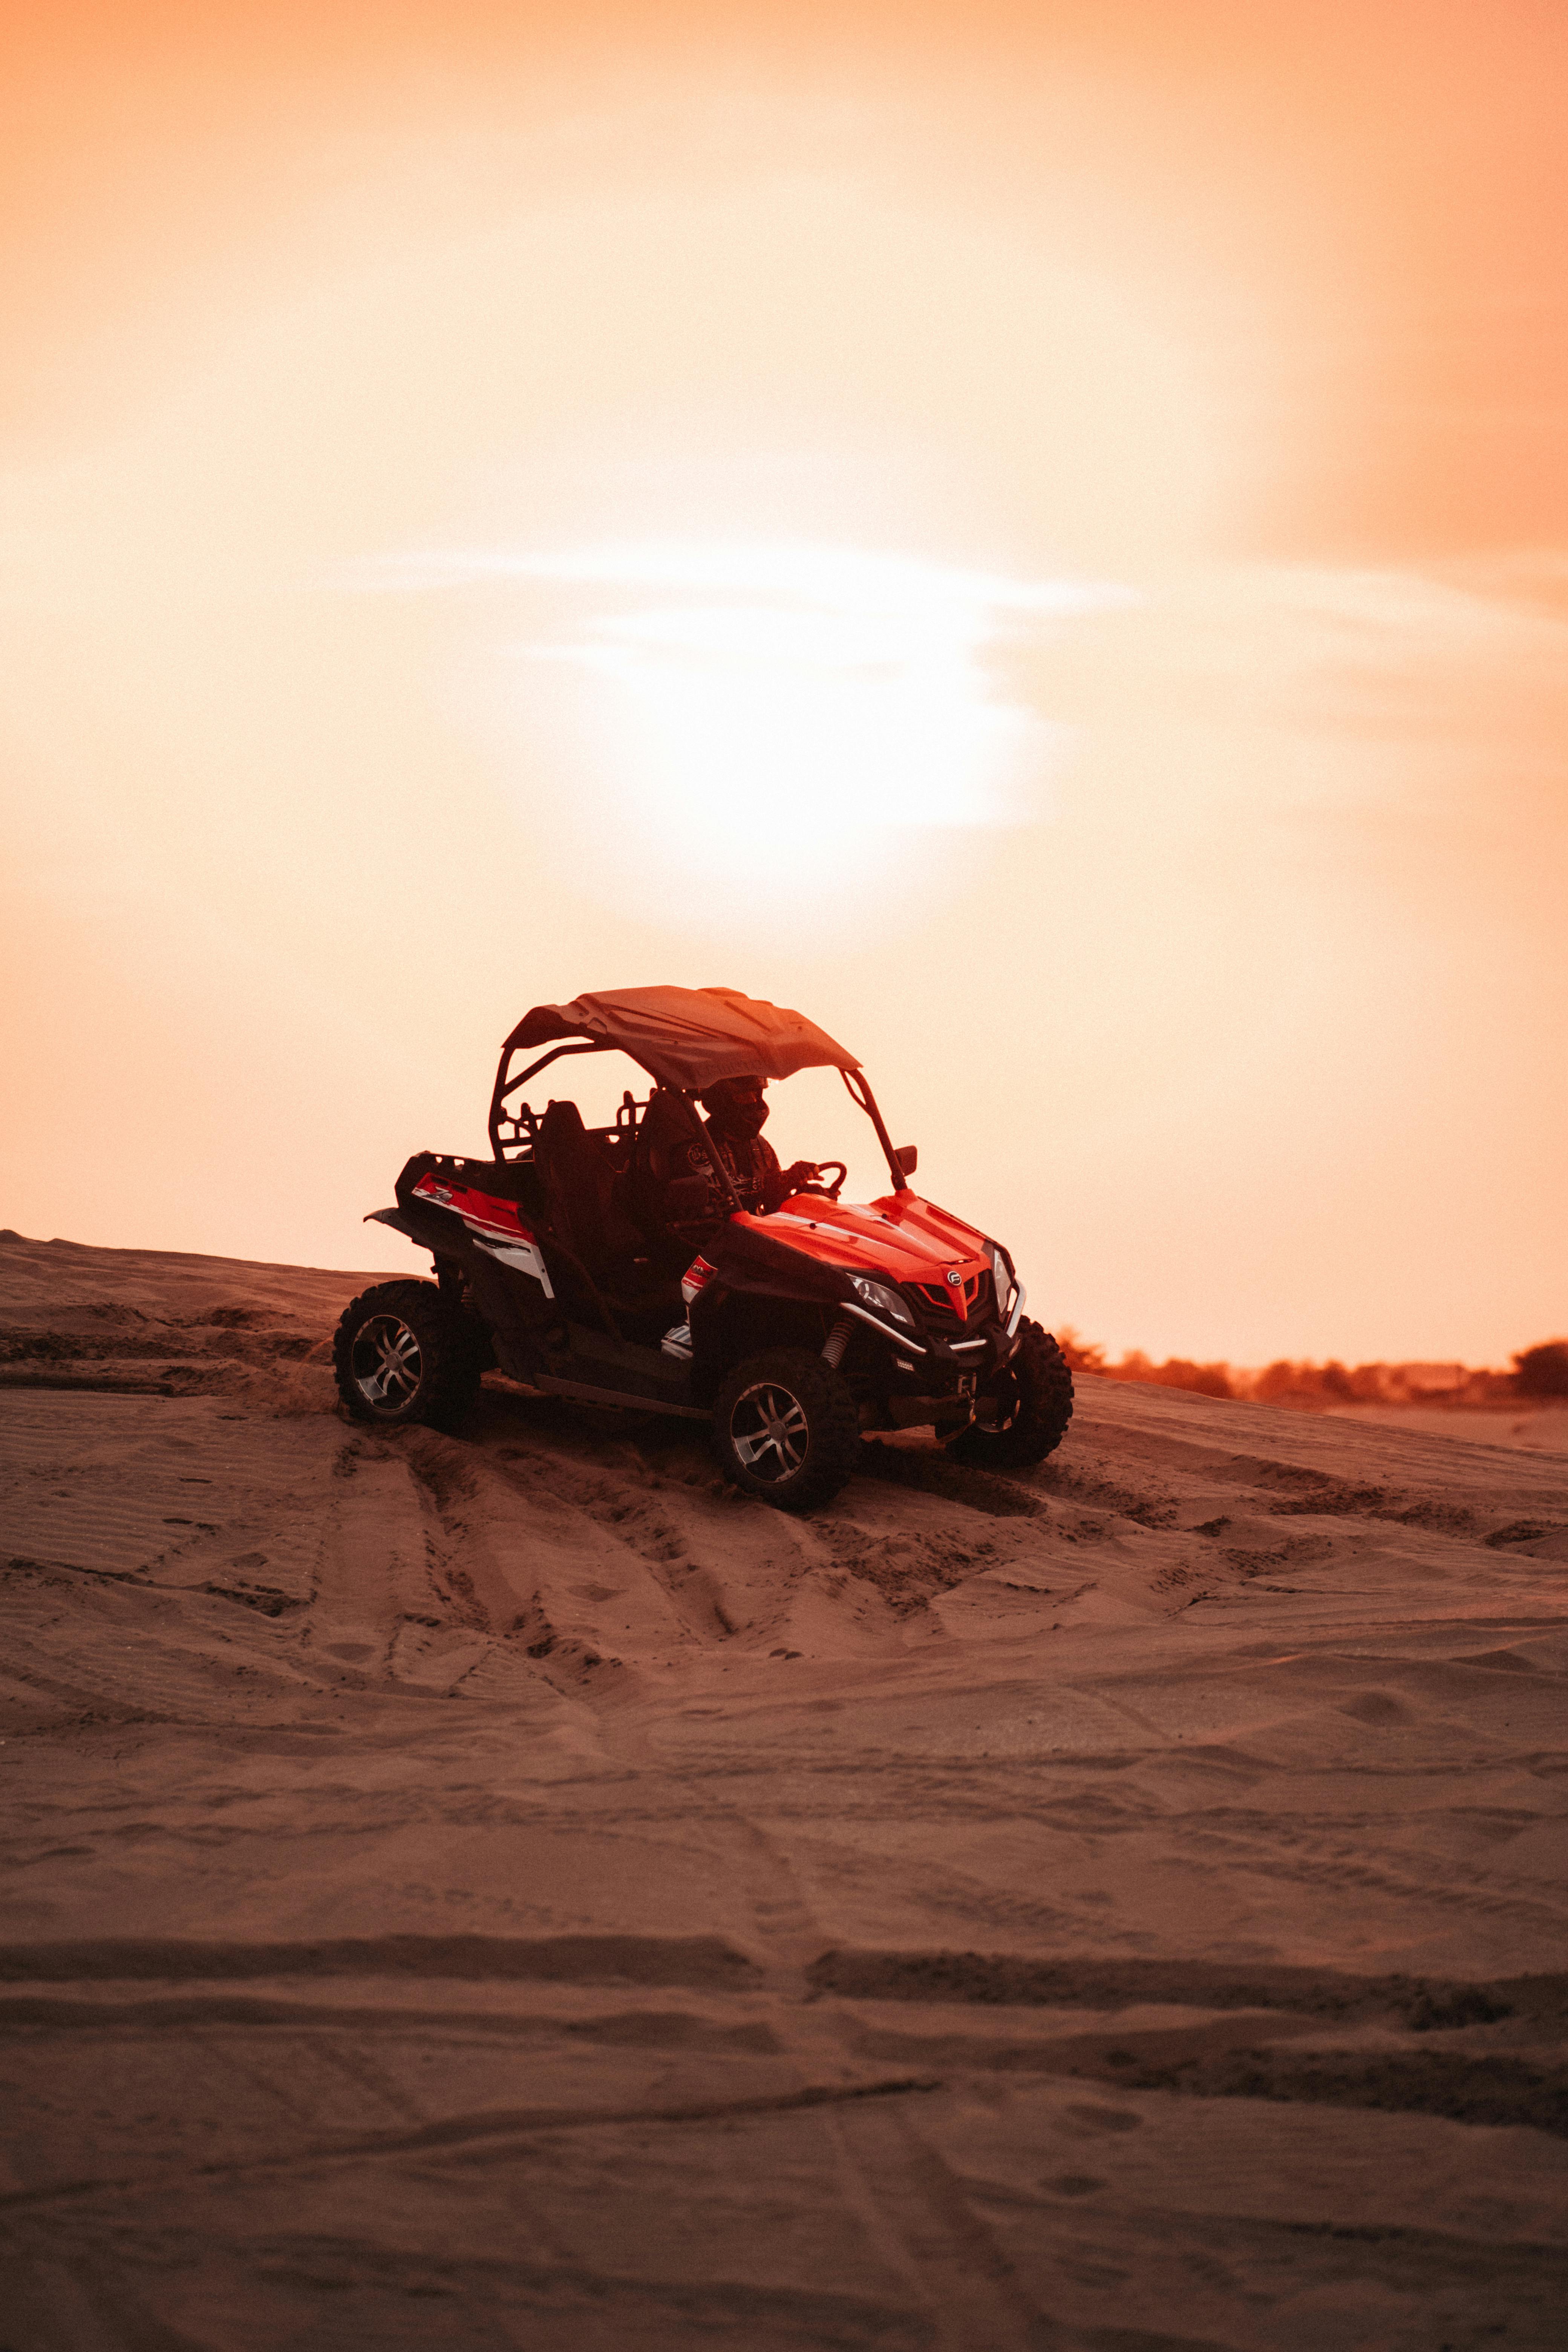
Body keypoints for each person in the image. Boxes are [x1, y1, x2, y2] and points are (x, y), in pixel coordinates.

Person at [691, 1075, 822, 1216]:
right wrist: (782, 1179)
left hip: (757, 1230)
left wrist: (804, 1194)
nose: (758, 1105)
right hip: (716, 1233)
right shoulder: (697, 1146)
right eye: (745, 1096)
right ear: (721, 1101)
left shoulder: (762, 1146)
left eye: (757, 1095)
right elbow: (724, 1190)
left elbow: (772, 1202)